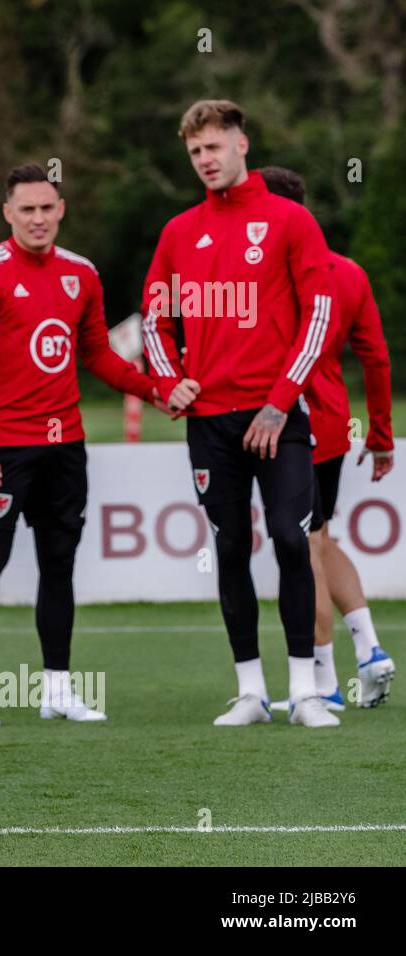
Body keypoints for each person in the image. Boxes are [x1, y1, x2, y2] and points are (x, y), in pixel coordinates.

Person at [141, 100, 340, 728]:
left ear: (241, 144)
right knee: (230, 548)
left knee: (290, 537)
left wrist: (280, 403)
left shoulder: (290, 220)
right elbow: (155, 318)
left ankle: (305, 690)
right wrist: (169, 380)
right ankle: (251, 691)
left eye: (215, 146)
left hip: (279, 418)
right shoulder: (178, 232)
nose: (206, 159)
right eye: (196, 150)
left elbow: (320, 315)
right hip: (212, 423)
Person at [0, 163, 163, 729]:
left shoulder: (81, 274)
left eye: (47, 208)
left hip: (65, 446)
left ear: (61, 209)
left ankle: (57, 690)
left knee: (59, 567)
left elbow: (97, 354)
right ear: (8, 213)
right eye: (27, 210)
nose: (38, 219)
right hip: (2, 449)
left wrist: (155, 390)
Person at [257, 166, 395, 711]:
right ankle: (370, 646)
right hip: (334, 425)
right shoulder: (350, 272)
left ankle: (322, 680)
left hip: (287, 423)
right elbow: (377, 358)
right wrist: (381, 433)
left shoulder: (271, 273)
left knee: (304, 548)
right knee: (318, 533)